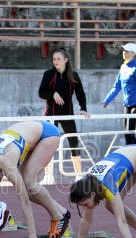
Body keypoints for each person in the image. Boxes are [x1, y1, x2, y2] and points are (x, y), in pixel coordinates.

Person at [0, 121, 72, 238]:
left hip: (47, 134)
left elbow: (24, 201)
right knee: (27, 185)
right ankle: (62, 212)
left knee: (29, 183)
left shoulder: (7, 164)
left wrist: (32, 235)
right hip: (29, 135)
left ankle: (58, 217)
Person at [38, 48, 89, 182]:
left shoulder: (73, 75)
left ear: (65, 60)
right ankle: (48, 177)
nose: (56, 61)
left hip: (67, 115)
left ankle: (78, 175)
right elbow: (41, 92)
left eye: (58, 59)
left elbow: (80, 93)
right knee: (48, 144)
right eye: (54, 59)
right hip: (51, 115)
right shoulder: (48, 74)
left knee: (73, 142)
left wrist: (83, 108)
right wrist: (53, 93)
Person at [102, 43, 136, 146]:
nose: (124, 53)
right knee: (127, 134)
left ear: (133, 53)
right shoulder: (123, 67)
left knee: (129, 133)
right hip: (127, 105)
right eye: (123, 51)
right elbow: (117, 86)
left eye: (127, 51)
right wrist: (107, 100)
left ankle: (135, 151)